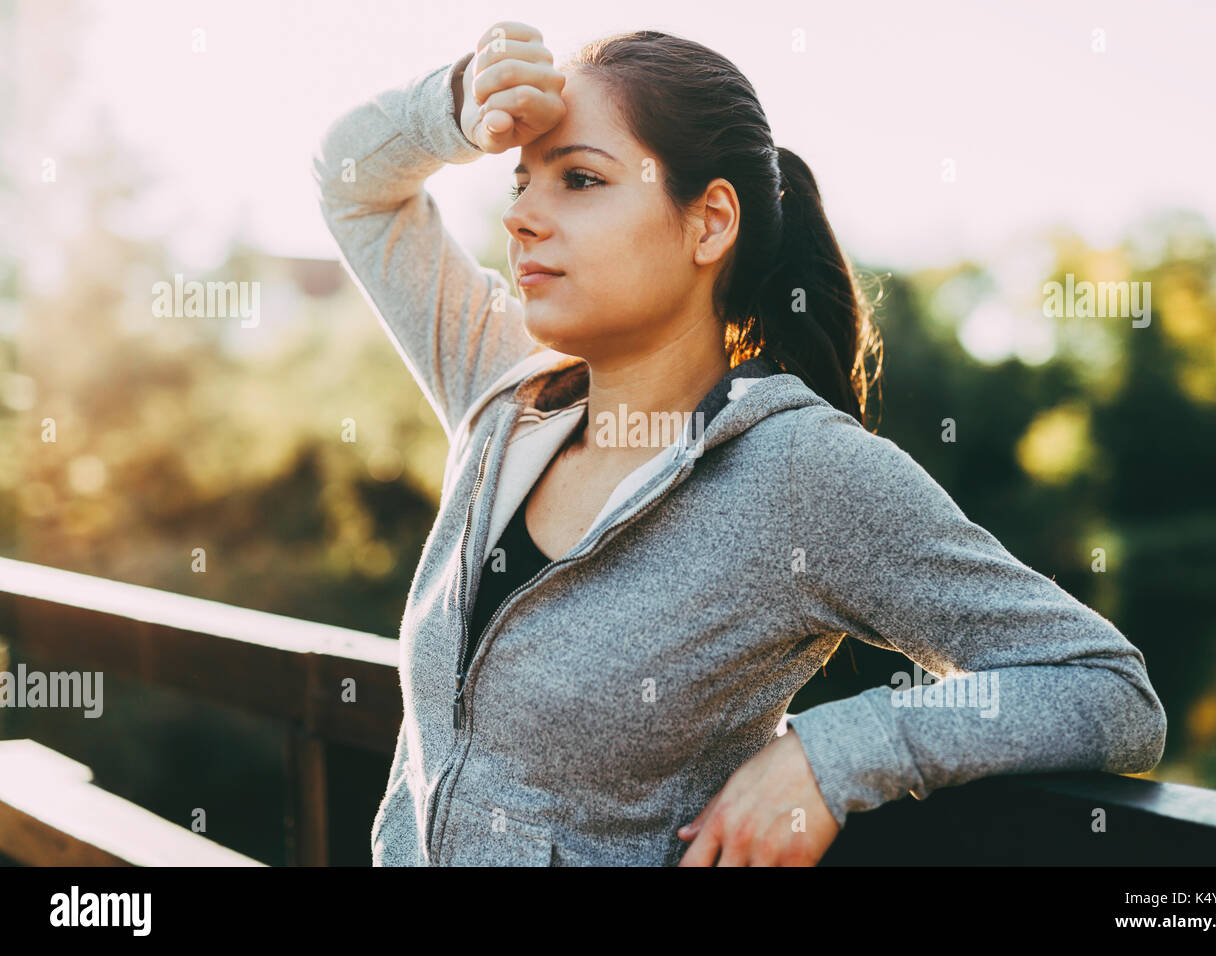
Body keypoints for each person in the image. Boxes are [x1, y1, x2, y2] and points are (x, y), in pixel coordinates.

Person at [311, 21, 1166, 866]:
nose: (525, 218)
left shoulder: (803, 473)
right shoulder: (503, 393)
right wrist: (455, 106)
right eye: (520, 185)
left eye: (578, 179)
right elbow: (351, 183)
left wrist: (838, 754)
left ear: (710, 223)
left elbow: (1106, 689)